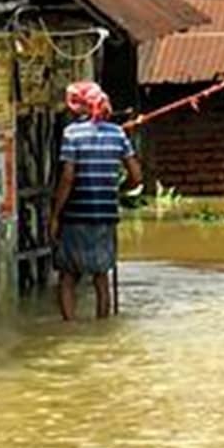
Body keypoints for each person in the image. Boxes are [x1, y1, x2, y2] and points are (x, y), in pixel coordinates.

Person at [49, 81, 139, 322]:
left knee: (68, 276)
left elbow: (68, 178)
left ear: (77, 106)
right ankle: (103, 324)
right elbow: (137, 177)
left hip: (76, 215)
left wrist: (56, 215)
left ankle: (70, 326)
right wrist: (117, 192)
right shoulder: (117, 133)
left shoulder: (71, 134)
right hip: (106, 215)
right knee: (101, 277)